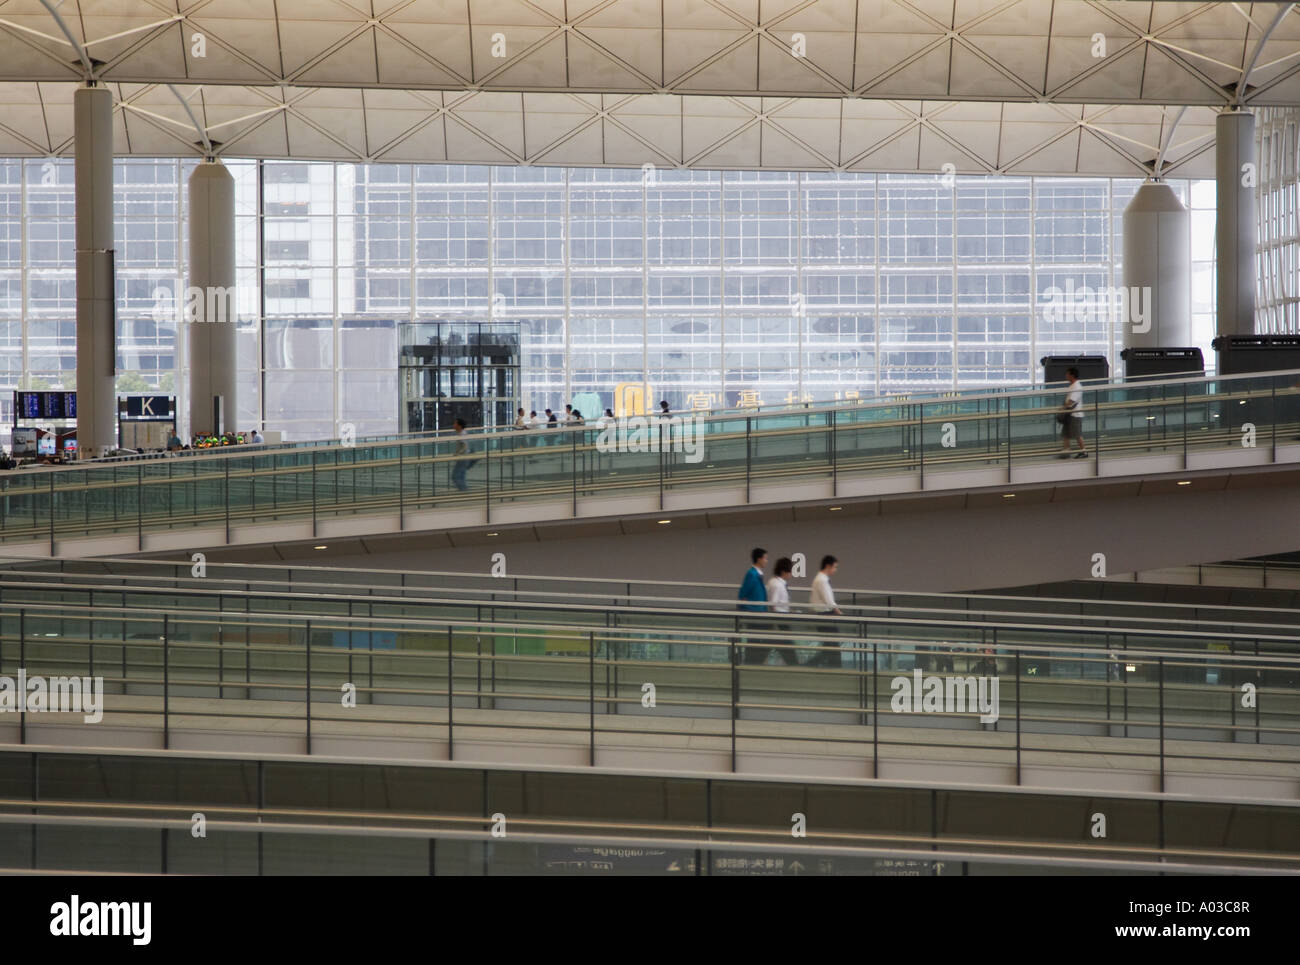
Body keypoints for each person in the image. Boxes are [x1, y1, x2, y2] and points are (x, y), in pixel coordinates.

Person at [745, 557, 799, 666]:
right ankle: (794, 664)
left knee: (777, 644)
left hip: (780, 619)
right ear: (784, 572)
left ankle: (755, 661)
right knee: (786, 645)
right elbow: (773, 604)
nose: (791, 574)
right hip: (780, 620)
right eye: (790, 571)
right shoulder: (777, 585)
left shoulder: (774, 582)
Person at [808, 555, 843, 668]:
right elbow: (828, 600)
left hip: (823, 614)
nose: (835, 570)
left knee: (830, 643)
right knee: (833, 643)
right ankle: (835, 667)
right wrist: (838, 611)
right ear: (828, 566)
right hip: (825, 614)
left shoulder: (820, 579)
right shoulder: (822, 580)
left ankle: (831, 665)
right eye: (835, 567)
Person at [1058, 366, 1088, 459]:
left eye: (1067, 374)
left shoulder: (1077, 386)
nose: (1065, 375)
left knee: (1077, 434)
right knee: (1066, 433)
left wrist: (1063, 408)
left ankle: (1084, 451)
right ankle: (1066, 450)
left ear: (1072, 375)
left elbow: (1071, 401)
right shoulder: (1072, 385)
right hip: (1069, 414)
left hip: (1075, 414)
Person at [451, 418, 479, 491]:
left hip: (463, 458)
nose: (453, 425)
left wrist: (458, 453)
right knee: (461, 475)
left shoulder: (462, 434)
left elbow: (464, 446)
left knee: (456, 476)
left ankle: (464, 491)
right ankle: (464, 490)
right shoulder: (463, 433)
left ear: (459, 426)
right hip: (465, 457)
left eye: (455, 424)